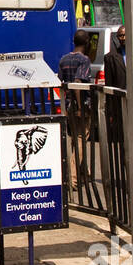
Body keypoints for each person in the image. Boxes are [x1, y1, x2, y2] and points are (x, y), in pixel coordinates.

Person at [57, 30, 94, 193]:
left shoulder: (64, 59)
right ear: (87, 43)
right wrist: (80, 107)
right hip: (80, 106)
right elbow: (78, 83)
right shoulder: (84, 60)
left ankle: (85, 173)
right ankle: (72, 177)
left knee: (76, 139)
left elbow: (61, 83)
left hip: (68, 105)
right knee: (80, 139)